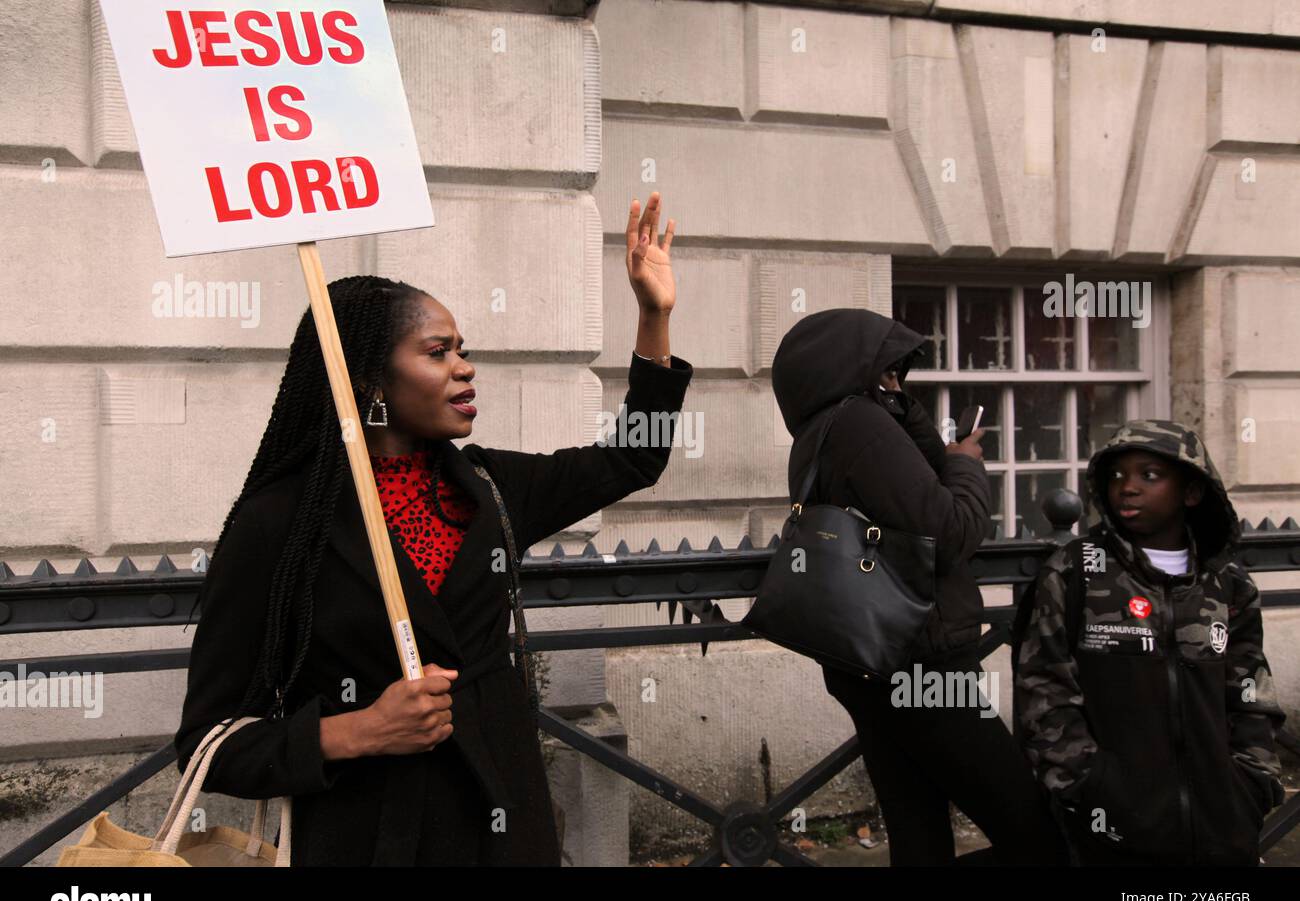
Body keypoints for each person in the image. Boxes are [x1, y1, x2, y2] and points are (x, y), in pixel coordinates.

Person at [175, 192, 693, 865]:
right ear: (372, 383)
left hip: (505, 828)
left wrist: (654, 316)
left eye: (463, 350)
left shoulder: (489, 489)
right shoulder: (280, 522)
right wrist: (352, 731)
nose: (465, 367)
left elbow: (633, 455)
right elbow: (209, 743)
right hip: (369, 841)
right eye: (438, 351)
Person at [771, 309, 1066, 865]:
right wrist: (968, 465)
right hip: (921, 665)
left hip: (868, 663)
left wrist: (907, 413)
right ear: (854, 369)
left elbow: (909, 494)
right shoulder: (860, 423)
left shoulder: (818, 433)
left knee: (919, 837)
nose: (897, 383)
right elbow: (950, 530)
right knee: (1038, 837)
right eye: (887, 371)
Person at [1015, 420, 1287, 866]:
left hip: (1220, 825)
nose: (1129, 488)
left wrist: (1253, 782)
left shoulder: (1228, 582)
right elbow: (1044, 687)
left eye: (1150, 475)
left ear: (1192, 492)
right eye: (1118, 475)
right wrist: (1087, 785)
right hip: (1112, 827)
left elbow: (1251, 691)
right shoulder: (1075, 570)